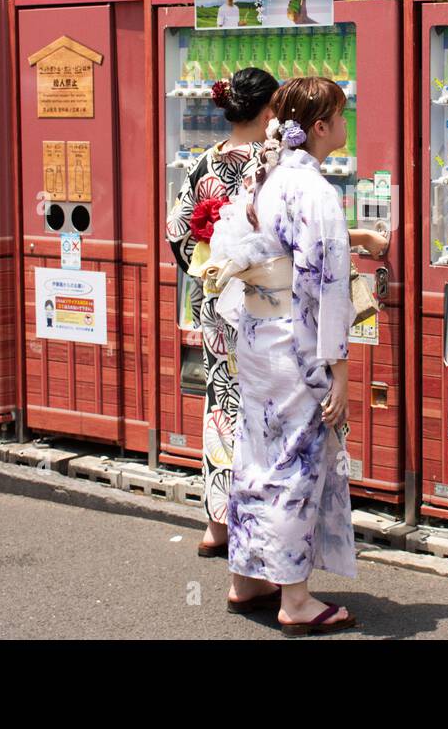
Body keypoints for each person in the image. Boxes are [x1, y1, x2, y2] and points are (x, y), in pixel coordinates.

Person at [205, 76, 370, 636]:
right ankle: (295, 600)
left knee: (256, 455)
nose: (346, 126)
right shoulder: (318, 191)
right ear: (320, 127)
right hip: (298, 341)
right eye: (340, 117)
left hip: (257, 335)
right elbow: (328, 285)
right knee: (296, 465)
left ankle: (246, 579)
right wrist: (340, 370)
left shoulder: (273, 178)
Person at [166, 67, 278, 558]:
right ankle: (258, 525)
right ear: (270, 108)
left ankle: (216, 523)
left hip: (213, 298)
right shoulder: (271, 162)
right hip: (260, 302)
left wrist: (202, 269)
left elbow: (176, 229)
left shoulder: (206, 160)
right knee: (262, 409)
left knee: (221, 401)